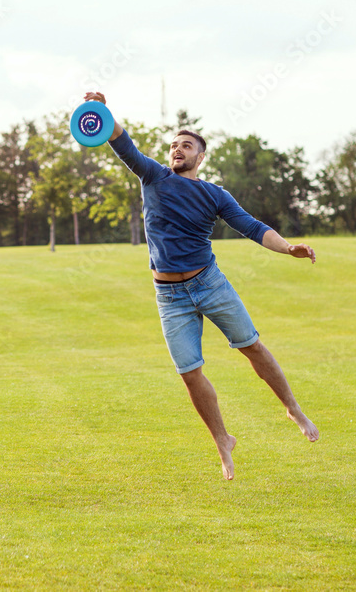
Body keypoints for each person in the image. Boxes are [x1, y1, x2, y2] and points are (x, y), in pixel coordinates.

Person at [86, 92, 319, 480]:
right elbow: (122, 143)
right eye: (174, 145)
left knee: (252, 347)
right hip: (169, 296)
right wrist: (101, 113)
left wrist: (288, 248)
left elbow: (253, 227)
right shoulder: (153, 176)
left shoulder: (215, 195)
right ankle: (222, 440)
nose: (178, 150)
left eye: (186, 145)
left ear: (201, 156)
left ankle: (293, 408)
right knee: (189, 372)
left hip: (209, 283)